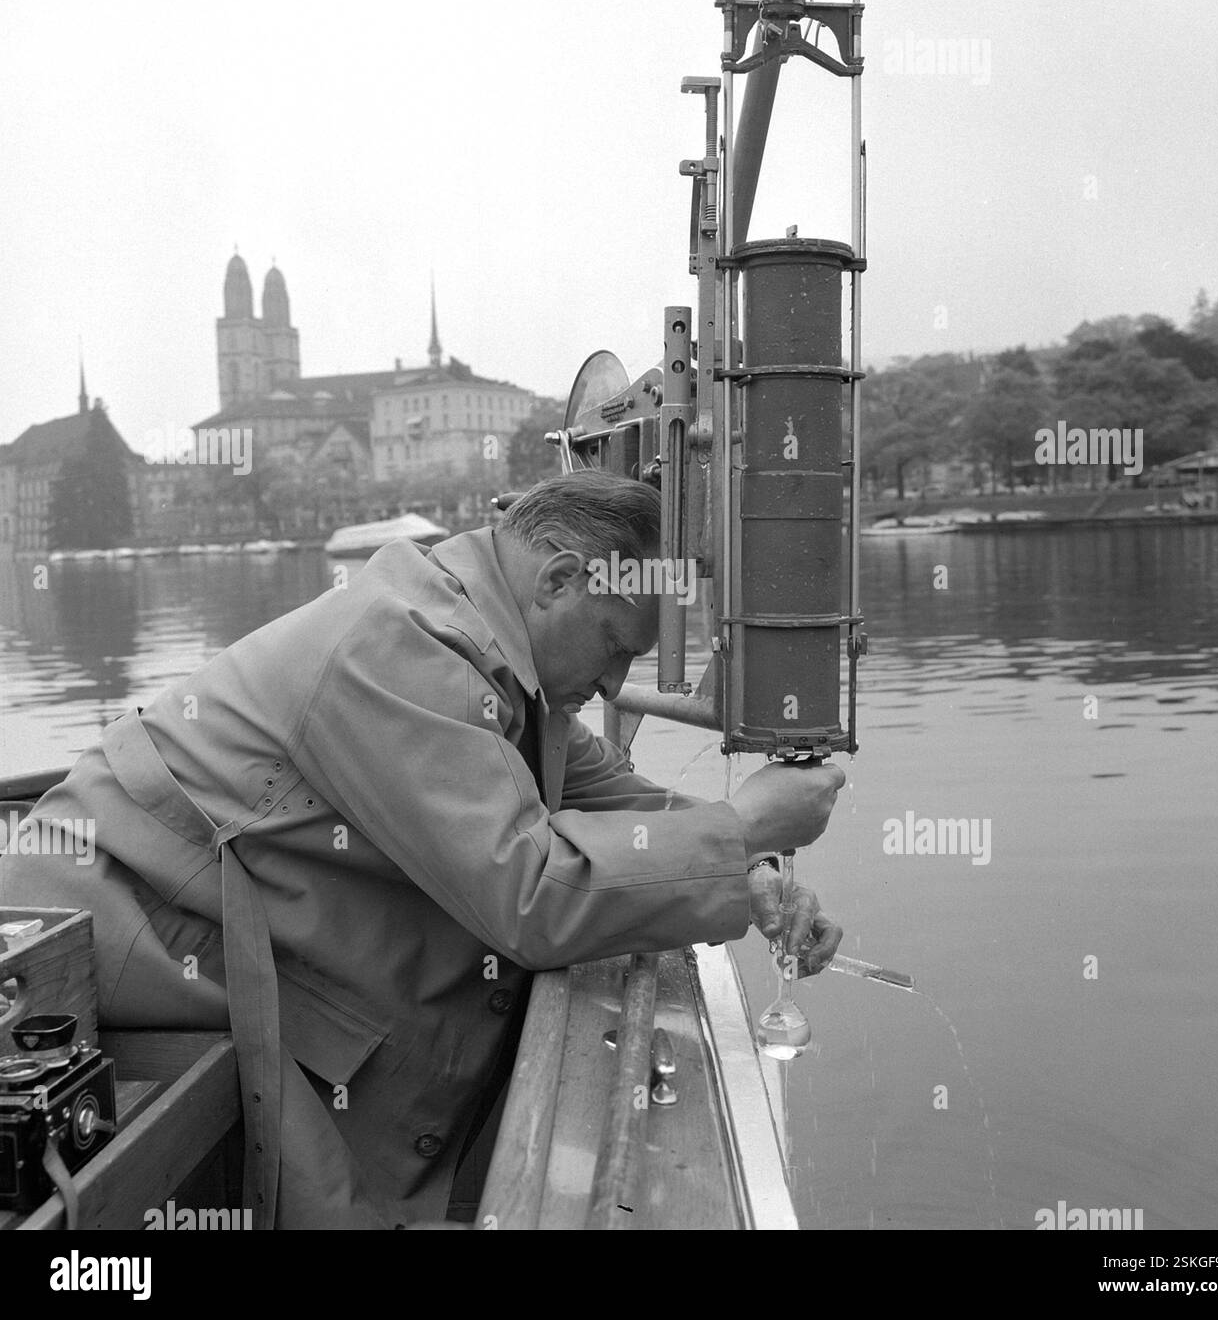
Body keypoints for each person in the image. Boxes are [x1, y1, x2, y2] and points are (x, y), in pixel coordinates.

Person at [0, 471, 844, 1228]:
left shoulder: (491, 643)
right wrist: (742, 828)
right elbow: (530, 897)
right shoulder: (402, 643)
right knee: (334, 1200)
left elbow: (615, 798)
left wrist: (755, 872)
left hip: (211, 917)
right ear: (556, 579)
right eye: (617, 645)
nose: (620, 685)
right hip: (124, 925)